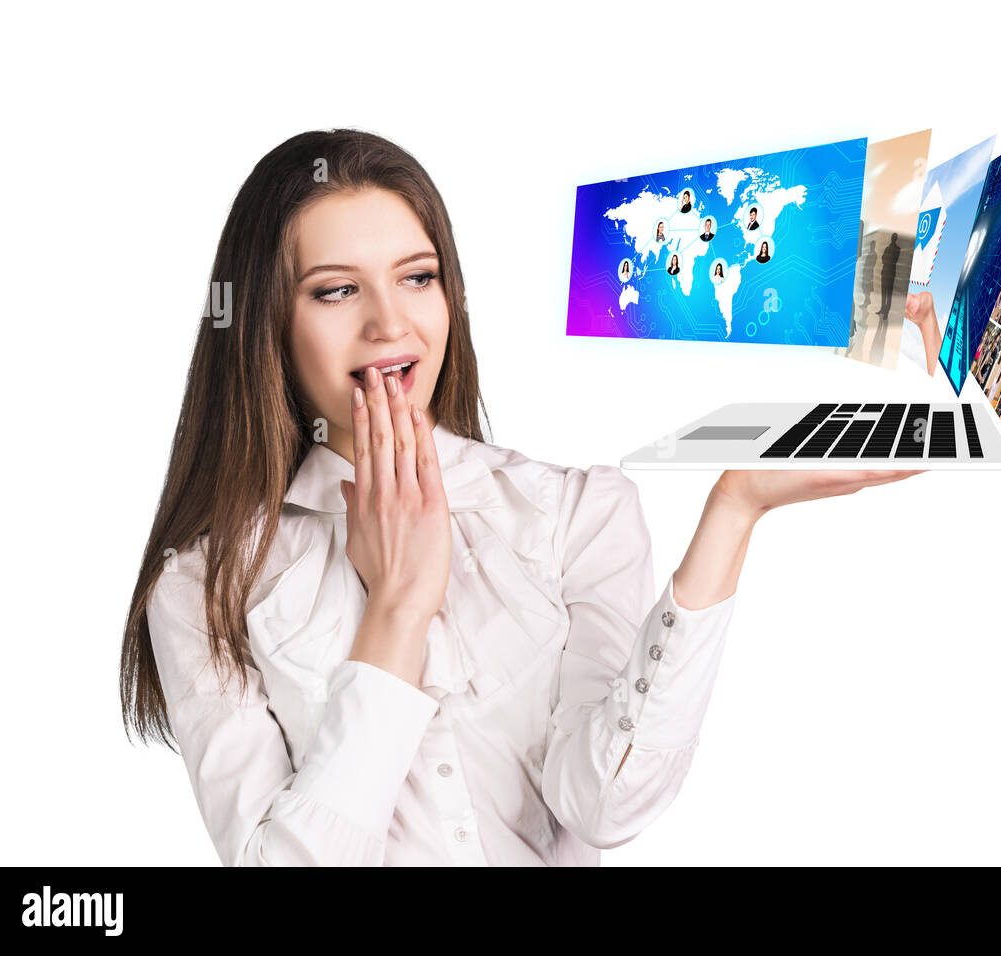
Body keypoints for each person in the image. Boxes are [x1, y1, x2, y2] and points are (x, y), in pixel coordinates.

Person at [118, 128, 923, 868]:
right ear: (267, 324)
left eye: (418, 277)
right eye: (336, 291)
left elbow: (604, 805)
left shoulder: (574, 513)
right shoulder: (201, 585)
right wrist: (397, 609)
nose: (391, 322)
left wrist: (736, 507)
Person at [877, 234, 901, 321]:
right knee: (884, 293)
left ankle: (886, 313)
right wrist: (888, 260)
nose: (892, 239)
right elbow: (883, 259)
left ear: (895, 239)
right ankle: (882, 309)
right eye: (892, 237)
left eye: (894, 238)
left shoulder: (898, 249)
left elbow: (894, 260)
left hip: (890, 274)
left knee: (889, 294)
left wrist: (887, 260)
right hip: (885, 272)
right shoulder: (887, 248)